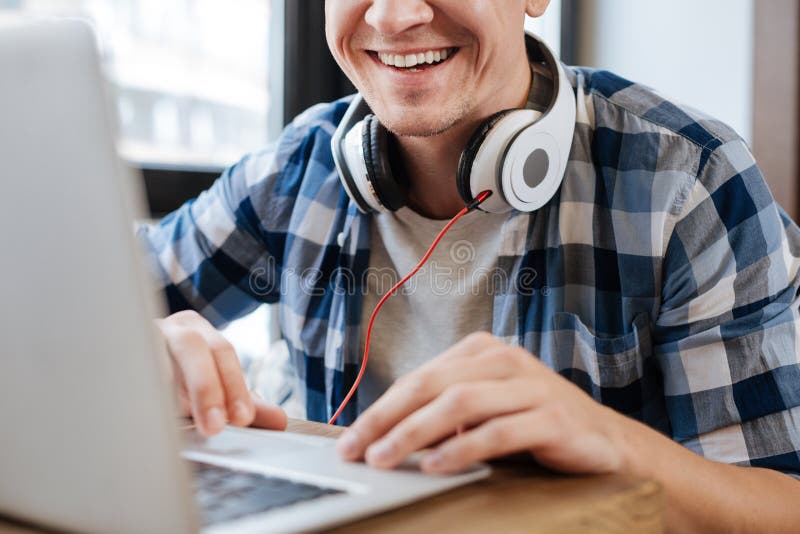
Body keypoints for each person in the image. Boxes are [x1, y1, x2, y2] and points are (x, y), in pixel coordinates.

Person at [138, 1, 800, 530]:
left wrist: (615, 444)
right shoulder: (297, 167)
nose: (394, 17)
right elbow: (76, 306)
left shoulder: (686, 180)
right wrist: (135, 343)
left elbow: (781, 506)